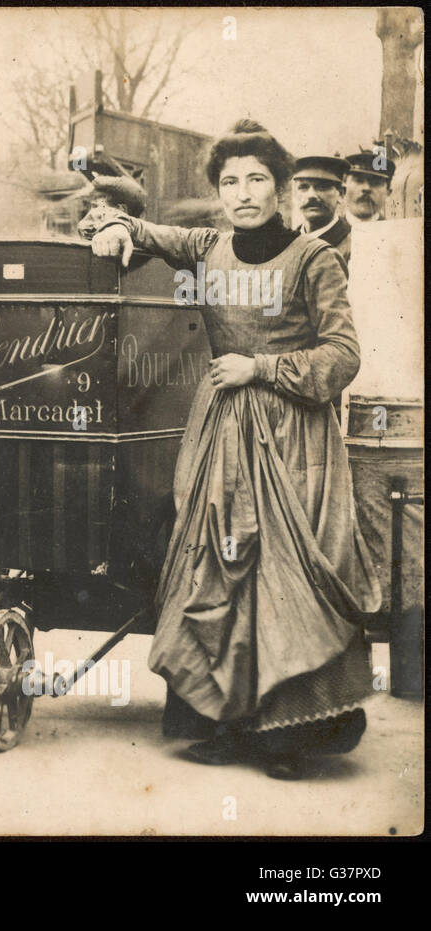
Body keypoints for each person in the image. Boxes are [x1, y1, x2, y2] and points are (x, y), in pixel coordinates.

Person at [91, 119, 381, 780]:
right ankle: (225, 722)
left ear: (279, 187)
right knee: (219, 567)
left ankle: (288, 735)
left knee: (288, 572)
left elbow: (344, 356)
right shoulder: (207, 246)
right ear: (218, 192)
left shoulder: (314, 260)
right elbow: (141, 228)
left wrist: (262, 369)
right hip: (222, 434)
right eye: (230, 181)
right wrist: (116, 228)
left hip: (295, 441)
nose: (243, 192)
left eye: (256, 179)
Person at [292, 154, 352, 266]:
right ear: (295, 194)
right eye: (304, 187)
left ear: (341, 194)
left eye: (322, 187)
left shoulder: (354, 245)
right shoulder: (286, 245)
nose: (311, 195)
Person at [344, 147, 396, 223]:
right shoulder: (328, 232)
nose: (367, 188)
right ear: (343, 189)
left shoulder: (396, 233)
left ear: (388, 192)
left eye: (376, 183)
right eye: (359, 181)